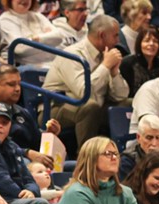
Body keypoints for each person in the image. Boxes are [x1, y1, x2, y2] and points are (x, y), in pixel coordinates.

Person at [44, 15, 128, 149]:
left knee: (127, 104)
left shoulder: (106, 54)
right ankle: (86, 156)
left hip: (95, 104)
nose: (118, 41)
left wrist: (114, 72)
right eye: (115, 35)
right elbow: (83, 92)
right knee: (90, 107)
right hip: (56, 108)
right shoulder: (73, 54)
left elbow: (120, 96)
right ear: (102, 35)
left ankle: (125, 152)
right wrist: (105, 66)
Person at [0, 0, 68, 66]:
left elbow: (60, 36)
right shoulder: (5, 19)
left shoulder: (37, 15)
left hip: (54, 62)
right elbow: (20, 48)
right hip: (30, 67)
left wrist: (36, 38)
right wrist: (49, 39)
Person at [120, 27, 159, 100]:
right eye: (147, 41)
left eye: (155, 41)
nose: (151, 44)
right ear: (139, 43)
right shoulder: (128, 63)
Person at [119, 114, 159, 180]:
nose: (154, 143)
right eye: (149, 138)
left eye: (158, 138)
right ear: (138, 137)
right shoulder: (127, 160)